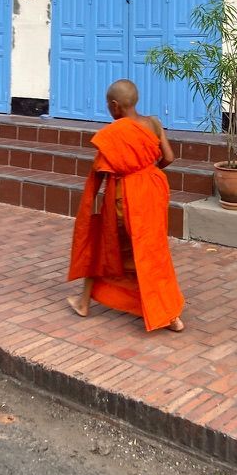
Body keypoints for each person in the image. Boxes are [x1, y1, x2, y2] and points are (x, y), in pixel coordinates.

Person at [66, 78, 185, 333]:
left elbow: (100, 169)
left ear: (115, 106)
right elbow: (169, 157)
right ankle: (171, 315)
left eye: (109, 107)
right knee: (153, 250)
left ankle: (85, 303)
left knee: (106, 247)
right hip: (153, 191)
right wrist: (147, 170)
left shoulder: (114, 134)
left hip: (125, 196)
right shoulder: (153, 122)